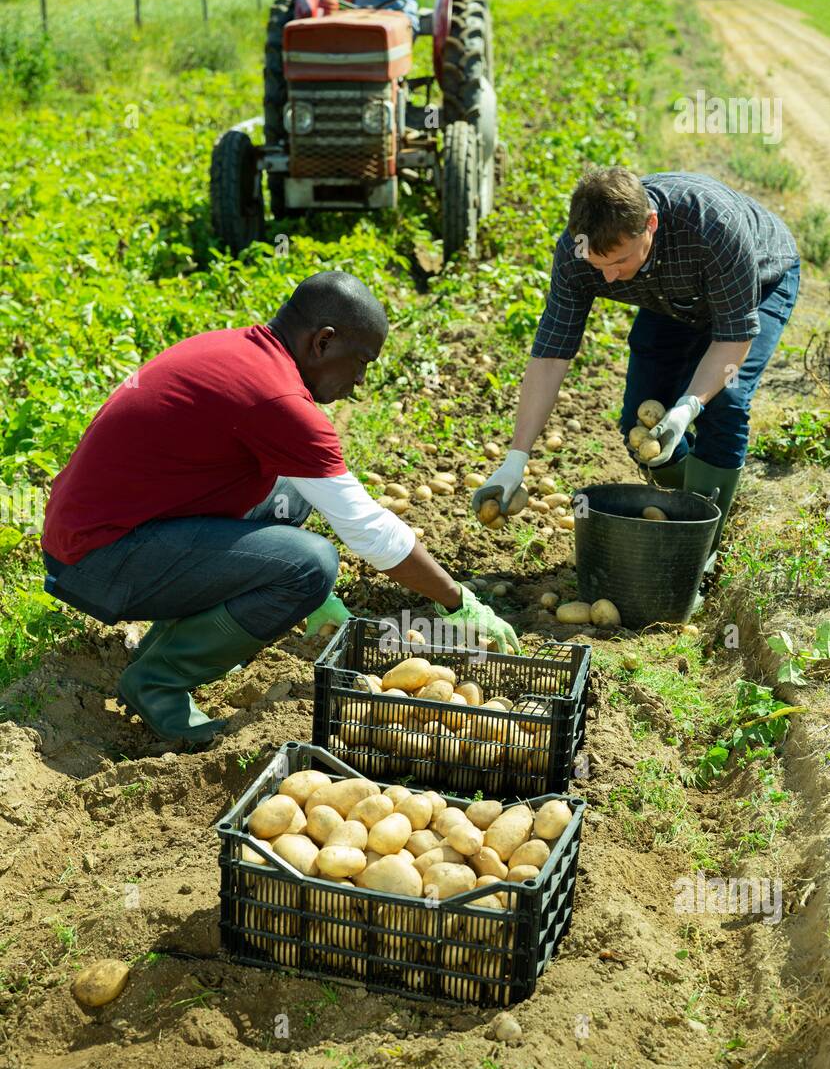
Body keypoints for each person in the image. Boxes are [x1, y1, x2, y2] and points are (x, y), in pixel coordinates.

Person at [40, 271, 516, 750]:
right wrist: (457, 601)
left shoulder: (238, 349)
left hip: (101, 533)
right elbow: (370, 532)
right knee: (310, 565)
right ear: (324, 342)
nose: (359, 382)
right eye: (361, 362)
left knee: (293, 489)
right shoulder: (278, 399)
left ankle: (164, 644)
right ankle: (158, 682)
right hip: (97, 561)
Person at [474, 166, 800, 560]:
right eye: (599, 266)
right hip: (671, 298)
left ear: (650, 224)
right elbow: (551, 354)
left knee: (724, 403)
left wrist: (689, 406)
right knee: (639, 426)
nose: (610, 279)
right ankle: (698, 501)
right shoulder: (577, 253)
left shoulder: (714, 228)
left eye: (620, 262)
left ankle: (699, 556)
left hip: (761, 282)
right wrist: (515, 459)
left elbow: (732, 340)